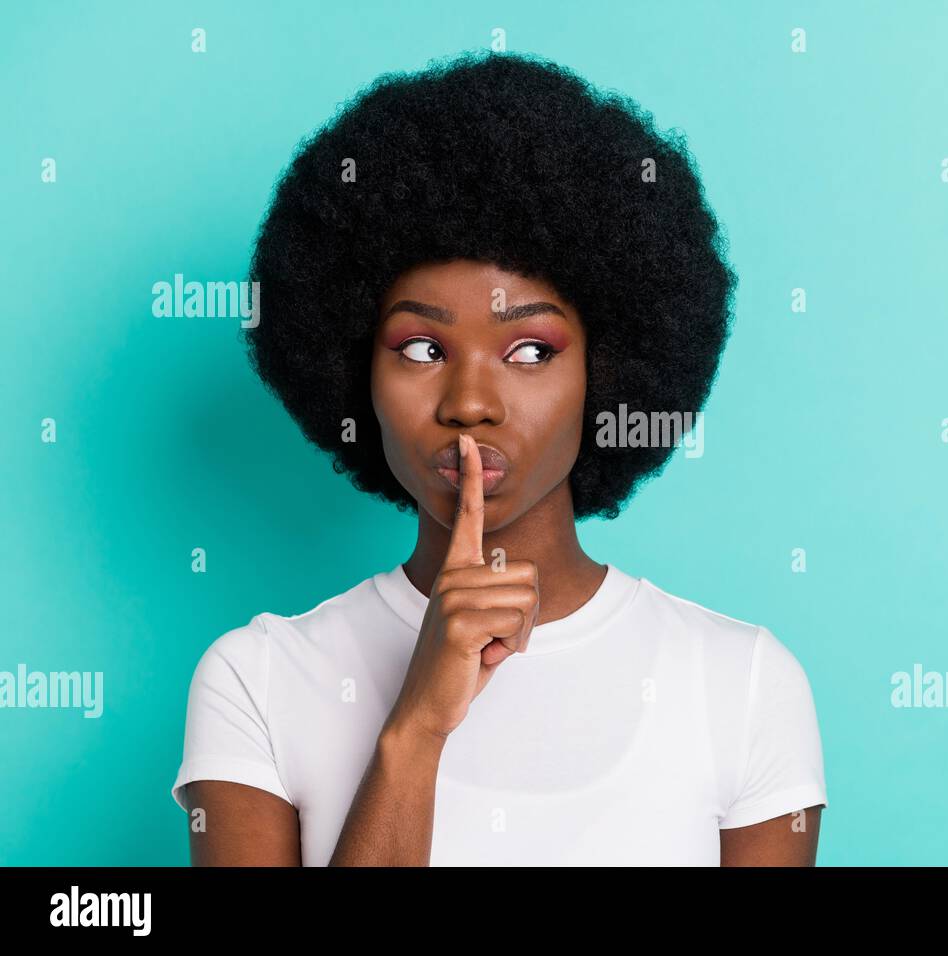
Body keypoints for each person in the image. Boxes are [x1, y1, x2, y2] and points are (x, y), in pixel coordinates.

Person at [171, 50, 827, 866]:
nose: (469, 402)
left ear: (609, 371)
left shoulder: (744, 684)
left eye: (528, 351)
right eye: (419, 347)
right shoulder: (259, 680)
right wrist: (416, 726)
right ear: (353, 373)